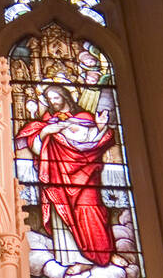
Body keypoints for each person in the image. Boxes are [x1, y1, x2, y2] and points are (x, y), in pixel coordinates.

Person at [16, 84, 117, 268]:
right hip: (57, 177)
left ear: (65, 96)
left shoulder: (85, 118)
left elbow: (93, 142)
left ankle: (95, 257)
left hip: (84, 175)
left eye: (56, 98)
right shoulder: (47, 120)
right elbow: (37, 148)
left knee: (89, 211)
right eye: (50, 99)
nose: (53, 102)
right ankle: (72, 259)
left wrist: (101, 127)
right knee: (61, 216)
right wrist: (47, 131)